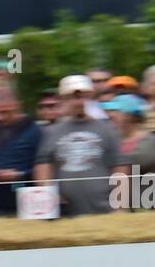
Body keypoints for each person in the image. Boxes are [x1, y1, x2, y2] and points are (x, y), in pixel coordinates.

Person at [34, 75, 126, 216]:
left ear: (90, 97)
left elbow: (120, 168)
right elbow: (43, 165)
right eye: (72, 97)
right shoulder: (52, 132)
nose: (78, 102)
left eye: (83, 97)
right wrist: (48, 195)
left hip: (104, 211)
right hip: (67, 213)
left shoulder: (107, 128)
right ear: (63, 100)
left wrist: (120, 205)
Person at [0, 87, 41, 216]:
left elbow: (43, 166)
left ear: (19, 106)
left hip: (26, 195)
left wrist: (20, 174)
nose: (2, 117)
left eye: (7, 112)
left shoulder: (35, 131)